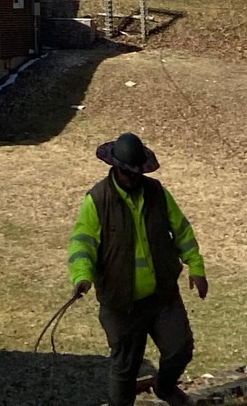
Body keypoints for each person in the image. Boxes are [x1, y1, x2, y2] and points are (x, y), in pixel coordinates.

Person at [67, 130, 208, 406]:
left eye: (137, 172)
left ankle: (165, 387)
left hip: (162, 297)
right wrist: (82, 276)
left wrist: (196, 268)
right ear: (116, 168)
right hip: (121, 304)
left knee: (180, 349)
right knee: (125, 369)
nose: (133, 178)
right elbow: (81, 244)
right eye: (127, 172)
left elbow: (182, 231)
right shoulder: (97, 200)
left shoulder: (157, 192)